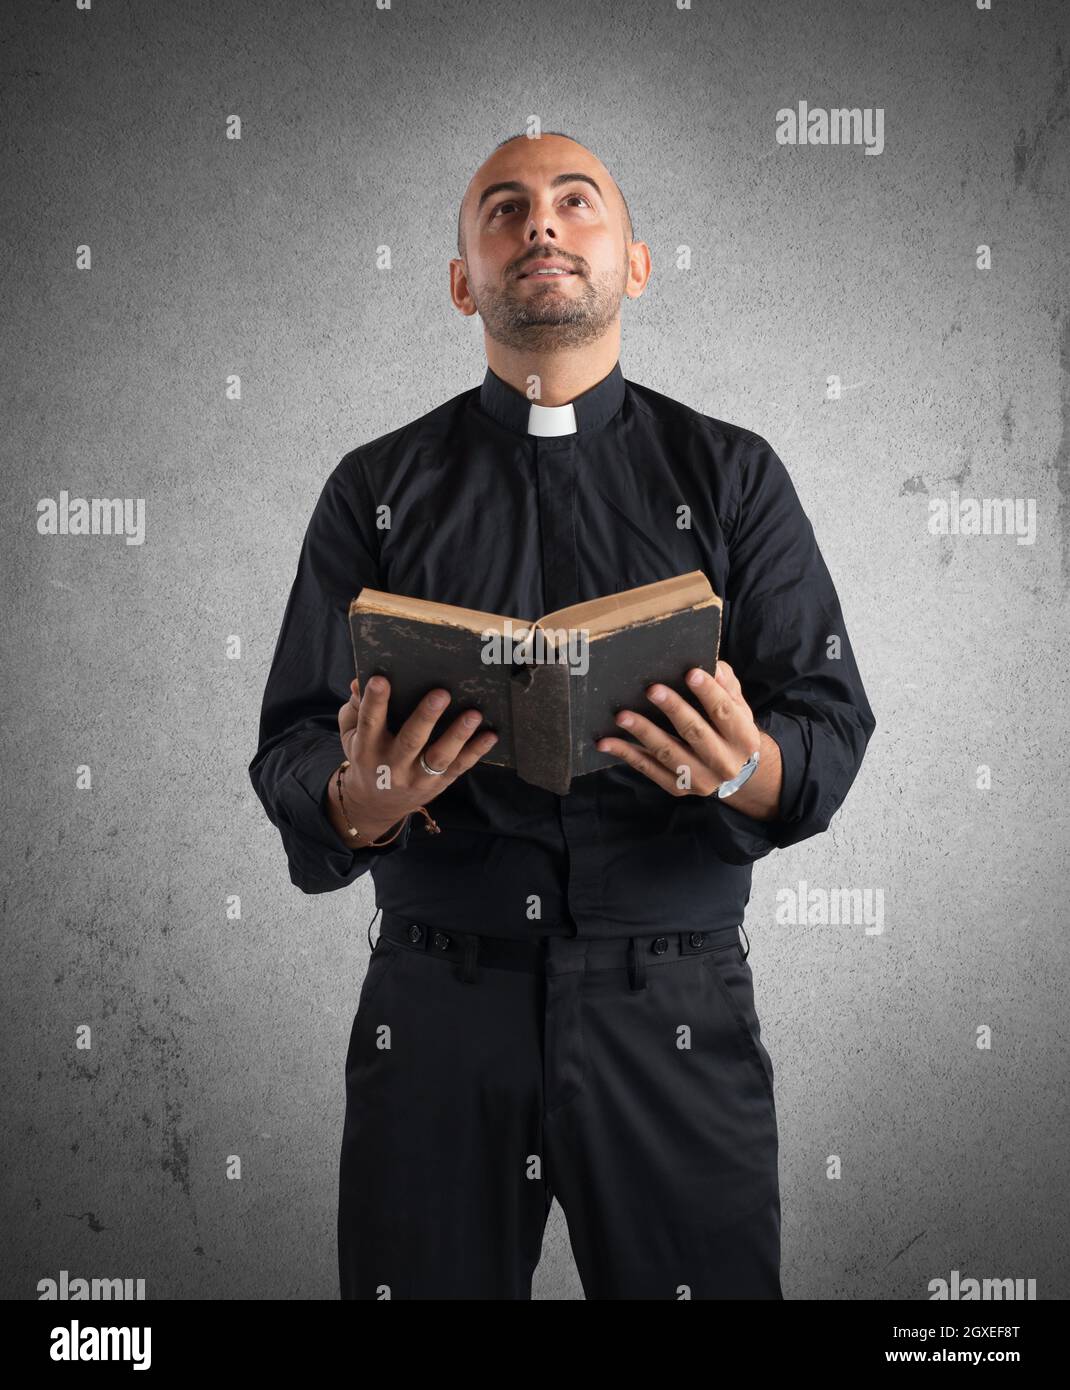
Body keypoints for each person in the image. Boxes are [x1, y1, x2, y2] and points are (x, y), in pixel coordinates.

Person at [248, 130, 876, 1300]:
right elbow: (287, 739)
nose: (540, 224)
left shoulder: (733, 475)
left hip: (673, 1006)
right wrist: (359, 802)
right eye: (503, 208)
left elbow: (830, 722)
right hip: (435, 1009)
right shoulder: (371, 490)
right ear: (459, 282)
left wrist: (745, 766)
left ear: (634, 262)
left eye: (574, 203)